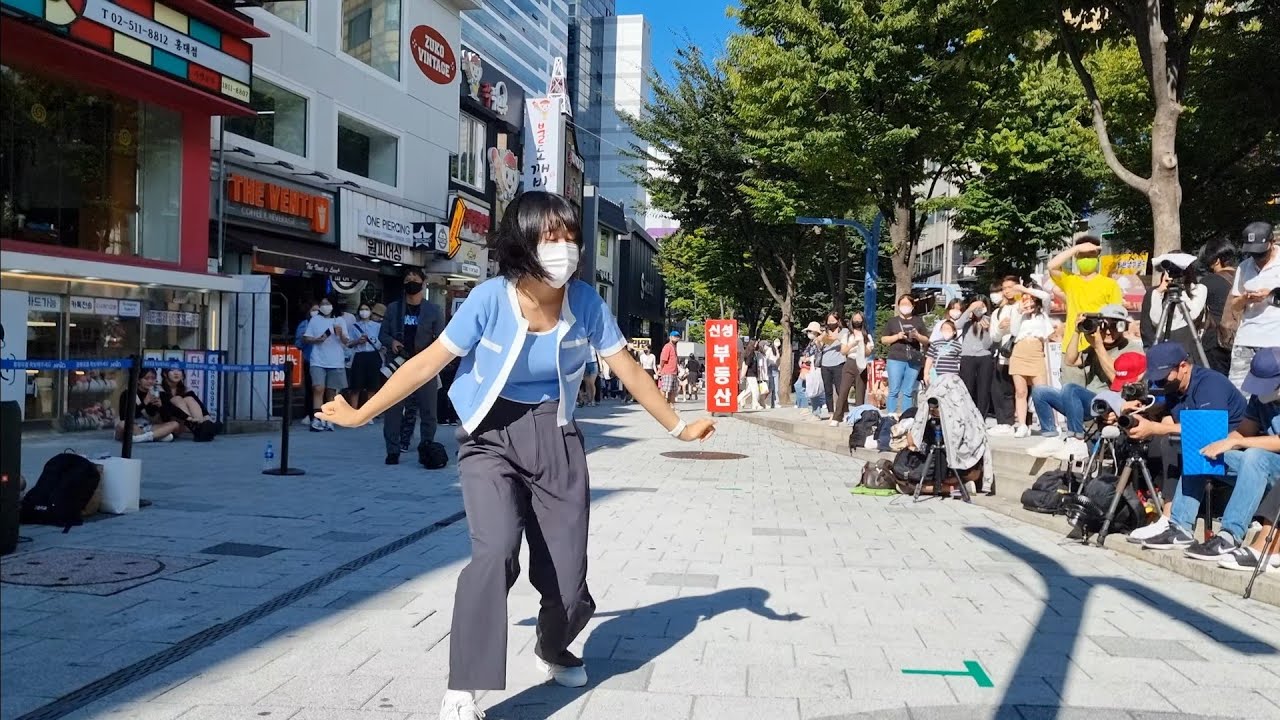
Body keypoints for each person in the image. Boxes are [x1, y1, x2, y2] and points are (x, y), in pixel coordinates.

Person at [313, 191, 716, 720]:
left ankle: (552, 646)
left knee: (569, 581)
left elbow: (630, 370)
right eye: (552, 237)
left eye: (570, 237)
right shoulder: (489, 299)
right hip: (489, 437)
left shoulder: (588, 304)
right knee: (495, 551)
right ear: (522, 242)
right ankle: (465, 682)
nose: (564, 248)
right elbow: (426, 364)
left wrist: (679, 426)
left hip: (557, 435)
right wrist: (362, 414)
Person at [1129, 342, 1250, 552]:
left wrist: (1155, 428)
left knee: (1195, 449)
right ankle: (1178, 527)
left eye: (1164, 375)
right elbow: (1174, 425)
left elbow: (1206, 433)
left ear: (1183, 366)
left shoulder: (1210, 384)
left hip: (1243, 458)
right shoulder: (1174, 387)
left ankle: (1178, 524)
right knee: (1176, 444)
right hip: (1215, 454)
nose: (1160, 381)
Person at [1028, 304, 1143, 460]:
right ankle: (1051, 438)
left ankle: (1077, 441)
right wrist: (1077, 331)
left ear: (1124, 327)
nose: (1109, 331)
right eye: (1104, 326)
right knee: (1040, 391)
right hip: (1087, 402)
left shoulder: (1131, 349)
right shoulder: (1095, 346)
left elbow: (1118, 379)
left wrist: (1098, 345)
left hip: (1110, 403)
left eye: (1116, 326)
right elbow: (1070, 360)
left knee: (1071, 389)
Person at [1211, 348, 1280, 573]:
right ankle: (1177, 522)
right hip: (1261, 465)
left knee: (1254, 455)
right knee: (1205, 454)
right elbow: (1243, 432)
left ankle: (1230, 533)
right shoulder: (1261, 398)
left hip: (1270, 464)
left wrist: (1238, 443)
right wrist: (1222, 444)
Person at [379, 268, 445, 465]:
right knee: (393, 409)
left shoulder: (434, 310)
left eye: (415, 279)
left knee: (428, 411)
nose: (411, 282)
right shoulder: (393, 308)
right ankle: (392, 450)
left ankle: (426, 448)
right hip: (397, 366)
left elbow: (441, 339)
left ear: (423, 284)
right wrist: (392, 343)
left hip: (424, 366)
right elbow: (383, 334)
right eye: (408, 279)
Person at [1046, 233, 1123, 358]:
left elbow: (1116, 316)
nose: (1086, 258)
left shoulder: (1110, 284)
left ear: (1097, 257)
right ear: (1076, 257)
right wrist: (1076, 248)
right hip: (1072, 346)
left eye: (1091, 254)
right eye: (1082, 255)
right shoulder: (1069, 280)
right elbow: (1051, 266)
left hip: (1100, 347)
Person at [1226, 221, 1280, 390]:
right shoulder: (1244, 266)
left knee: (1271, 397)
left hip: (1275, 340)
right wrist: (1245, 298)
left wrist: (1270, 294)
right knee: (1239, 391)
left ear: (1271, 243)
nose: (1257, 258)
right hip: (1247, 338)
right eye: (1253, 254)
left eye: (1261, 253)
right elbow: (1234, 306)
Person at [1005, 285, 1054, 438]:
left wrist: (1023, 289)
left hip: (1036, 353)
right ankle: (1022, 425)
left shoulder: (1043, 313)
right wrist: (1020, 312)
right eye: (1025, 298)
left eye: (1031, 298)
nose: (1027, 301)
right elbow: (1013, 331)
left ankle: (1048, 424)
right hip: (1019, 352)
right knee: (1020, 392)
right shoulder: (1017, 311)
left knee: (1042, 392)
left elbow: (1046, 297)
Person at [1146, 255, 1207, 359]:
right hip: (1165, 342)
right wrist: (1159, 291)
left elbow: (1192, 315)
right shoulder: (1162, 292)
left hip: (1187, 342)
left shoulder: (1198, 289)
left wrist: (1181, 290)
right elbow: (1156, 321)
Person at [303, 297, 348, 432]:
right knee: (318, 388)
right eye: (322, 304)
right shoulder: (315, 319)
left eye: (328, 303)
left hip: (335, 360)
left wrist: (340, 335)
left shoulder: (340, 320)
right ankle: (317, 418)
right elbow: (306, 337)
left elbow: (346, 341)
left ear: (333, 305)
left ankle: (329, 418)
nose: (325, 306)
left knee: (331, 391)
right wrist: (317, 339)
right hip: (318, 359)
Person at [881, 294, 928, 416]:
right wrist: (897, 336)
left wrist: (917, 336)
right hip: (896, 358)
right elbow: (884, 339)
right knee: (894, 389)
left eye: (908, 304)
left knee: (908, 390)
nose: (905, 307)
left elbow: (927, 340)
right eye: (902, 304)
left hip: (913, 358)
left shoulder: (918, 321)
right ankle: (891, 415)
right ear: (898, 305)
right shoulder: (893, 321)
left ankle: (906, 416)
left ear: (913, 306)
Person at [1196, 237, 1238, 375]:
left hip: (1216, 343)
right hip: (1242, 341)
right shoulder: (1245, 277)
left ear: (1216, 260)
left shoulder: (1208, 282)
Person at [989, 277, 1022, 433]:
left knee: (1022, 389)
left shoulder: (1024, 305)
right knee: (1001, 388)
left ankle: (1023, 422)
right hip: (1004, 353)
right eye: (1004, 288)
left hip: (1023, 352)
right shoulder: (998, 311)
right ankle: (1004, 421)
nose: (1007, 291)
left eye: (1010, 287)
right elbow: (994, 336)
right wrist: (1001, 328)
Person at [955, 297, 994, 422]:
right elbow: (957, 325)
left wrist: (987, 330)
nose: (978, 309)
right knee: (967, 387)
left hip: (984, 356)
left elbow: (989, 343)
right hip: (967, 356)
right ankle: (967, 416)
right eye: (976, 306)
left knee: (983, 388)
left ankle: (981, 416)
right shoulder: (967, 320)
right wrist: (969, 309)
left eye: (981, 306)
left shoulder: (989, 320)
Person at [114, 368, 178, 443]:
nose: (150, 381)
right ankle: (156, 436)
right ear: (138, 380)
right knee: (122, 425)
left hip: (149, 427)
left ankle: (142, 438)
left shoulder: (158, 393)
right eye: (146, 378)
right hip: (133, 426)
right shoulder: (127, 394)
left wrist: (161, 406)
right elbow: (124, 417)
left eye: (153, 378)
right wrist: (144, 403)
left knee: (175, 424)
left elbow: (166, 419)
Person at [833, 312, 873, 424]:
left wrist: (862, 342)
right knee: (843, 391)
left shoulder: (867, 336)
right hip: (850, 362)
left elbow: (869, 352)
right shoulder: (847, 335)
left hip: (862, 364)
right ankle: (837, 417)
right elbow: (843, 351)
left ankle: (858, 418)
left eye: (859, 319)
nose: (857, 321)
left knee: (860, 393)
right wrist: (853, 343)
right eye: (855, 318)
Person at [159, 367, 217, 439]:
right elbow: (168, 408)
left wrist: (206, 417)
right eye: (172, 370)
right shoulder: (159, 389)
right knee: (177, 399)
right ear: (165, 374)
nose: (176, 373)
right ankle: (196, 427)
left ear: (183, 375)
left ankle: (201, 426)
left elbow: (199, 404)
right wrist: (188, 418)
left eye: (179, 370)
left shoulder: (185, 389)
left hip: (183, 423)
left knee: (189, 399)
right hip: (166, 423)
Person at [347, 302, 383, 411]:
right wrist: (358, 341)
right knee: (356, 386)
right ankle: (354, 411)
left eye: (366, 309)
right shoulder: (354, 327)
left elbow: (381, 343)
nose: (364, 312)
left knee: (372, 386)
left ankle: (368, 412)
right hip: (359, 356)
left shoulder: (377, 326)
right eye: (362, 309)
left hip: (373, 355)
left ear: (371, 311)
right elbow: (349, 343)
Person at [817, 311, 848, 425]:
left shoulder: (843, 331)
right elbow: (820, 347)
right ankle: (831, 413)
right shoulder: (825, 332)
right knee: (828, 390)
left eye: (833, 321)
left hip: (839, 363)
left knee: (841, 390)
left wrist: (834, 337)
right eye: (829, 321)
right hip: (825, 364)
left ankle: (843, 412)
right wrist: (819, 341)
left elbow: (843, 340)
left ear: (838, 321)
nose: (830, 323)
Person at [923, 319, 963, 389]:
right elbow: (929, 359)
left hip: (952, 377)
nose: (946, 330)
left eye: (948, 329)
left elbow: (959, 363)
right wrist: (926, 374)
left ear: (954, 331)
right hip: (936, 376)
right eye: (943, 329)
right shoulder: (935, 344)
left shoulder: (958, 345)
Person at [295, 301, 317, 423]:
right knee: (310, 388)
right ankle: (308, 413)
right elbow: (298, 344)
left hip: (325, 360)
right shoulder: (305, 324)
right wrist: (305, 339)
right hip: (310, 360)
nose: (316, 312)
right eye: (313, 310)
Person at [739, 340, 765, 411]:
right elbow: (746, 365)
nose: (757, 344)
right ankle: (756, 404)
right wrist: (743, 375)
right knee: (755, 390)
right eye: (756, 343)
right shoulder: (750, 353)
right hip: (750, 374)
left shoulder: (752, 353)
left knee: (749, 390)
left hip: (753, 374)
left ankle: (739, 399)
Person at [658, 331, 681, 408]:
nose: (676, 338)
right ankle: (661, 405)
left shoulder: (674, 347)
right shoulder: (667, 346)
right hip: (667, 371)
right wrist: (660, 369)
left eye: (678, 336)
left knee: (673, 390)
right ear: (670, 337)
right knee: (665, 388)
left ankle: (671, 405)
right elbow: (663, 359)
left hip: (674, 372)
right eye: (675, 336)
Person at [763, 339, 781, 408]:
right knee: (771, 387)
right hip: (770, 368)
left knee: (776, 387)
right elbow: (766, 358)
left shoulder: (777, 350)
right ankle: (765, 401)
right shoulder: (770, 349)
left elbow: (778, 359)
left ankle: (775, 403)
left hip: (775, 369)